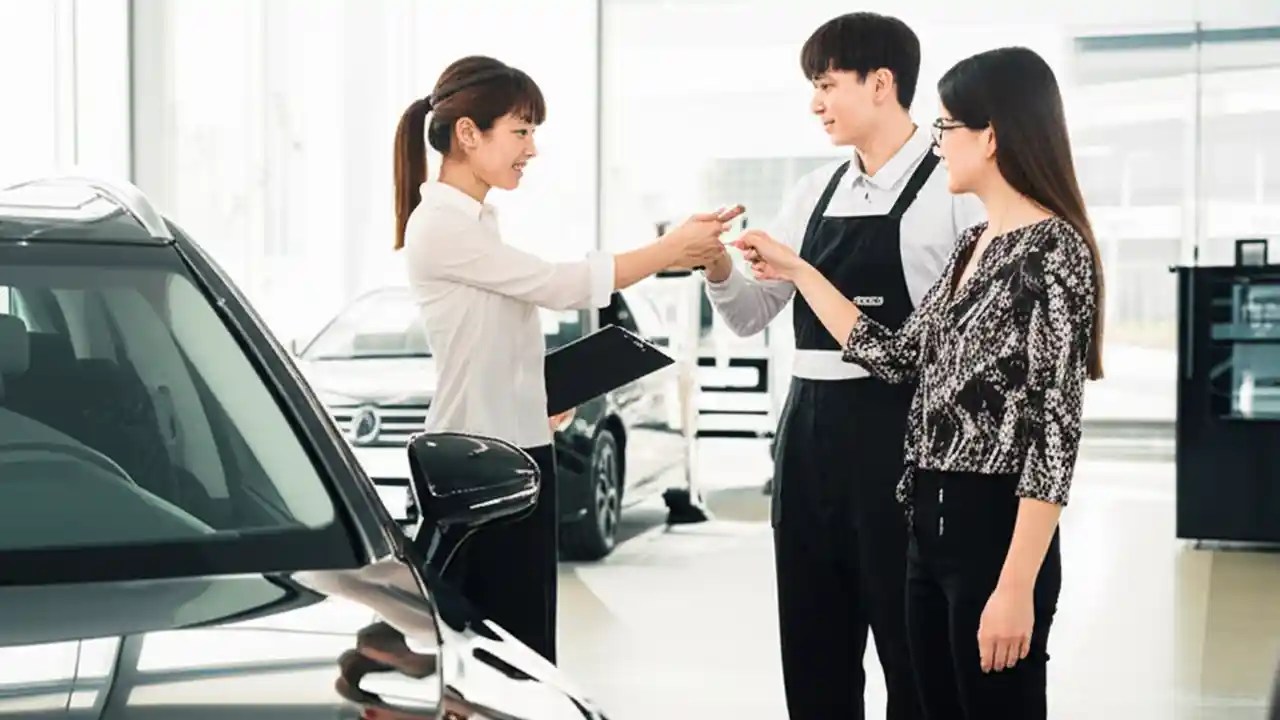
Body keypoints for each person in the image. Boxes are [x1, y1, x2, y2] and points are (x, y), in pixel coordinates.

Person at [734, 46, 1105, 719]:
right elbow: (897, 355)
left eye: (946, 128)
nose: (938, 144)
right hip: (926, 529)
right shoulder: (975, 245)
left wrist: (1016, 585)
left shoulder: (1054, 250)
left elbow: (1055, 434)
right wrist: (799, 269)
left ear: (991, 135)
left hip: (994, 532)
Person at [392, 55, 741, 663]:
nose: (531, 150)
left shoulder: (477, 222)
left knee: (526, 642)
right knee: (501, 652)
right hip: (478, 464)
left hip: (516, 448)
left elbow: (494, 339)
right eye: (520, 131)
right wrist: (668, 249)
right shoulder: (441, 226)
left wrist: (540, 396)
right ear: (469, 134)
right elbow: (558, 285)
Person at [701, 13, 983, 719]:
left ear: (881, 83)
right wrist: (714, 266)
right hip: (807, 435)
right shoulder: (812, 193)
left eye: (827, 84)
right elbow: (747, 316)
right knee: (812, 643)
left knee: (910, 646)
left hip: (902, 439)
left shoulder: (955, 193)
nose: (816, 103)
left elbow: (957, 349)